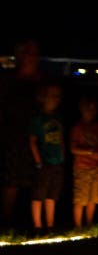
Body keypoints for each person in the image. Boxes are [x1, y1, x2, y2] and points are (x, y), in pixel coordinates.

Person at [0, 40, 41, 228]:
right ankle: (7, 220)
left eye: (34, 53)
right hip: (14, 136)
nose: (33, 57)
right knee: (12, 180)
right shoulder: (10, 81)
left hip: (35, 136)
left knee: (35, 178)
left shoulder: (41, 82)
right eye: (29, 52)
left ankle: (32, 220)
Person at [29, 82, 64, 231]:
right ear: (43, 98)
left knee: (52, 195)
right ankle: (38, 226)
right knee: (39, 195)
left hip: (57, 163)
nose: (56, 99)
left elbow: (61, 139)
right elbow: (32, 142)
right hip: (44, 163)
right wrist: (38, 162)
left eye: (58, 96)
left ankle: (50, 225)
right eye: (52, 96)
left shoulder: (58, 118)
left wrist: (62, 157)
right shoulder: (38, 119)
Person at [70, 96, 98, 228]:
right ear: (82, 110)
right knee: (81, 198)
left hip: (96, 167)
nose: (91, 112)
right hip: (82, 167)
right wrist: (90, 152)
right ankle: (78, 226)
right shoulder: (77, 128)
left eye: (94, 109)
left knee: (93, 198)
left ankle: (89, 224)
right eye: (88, 109)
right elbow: (73, 148)